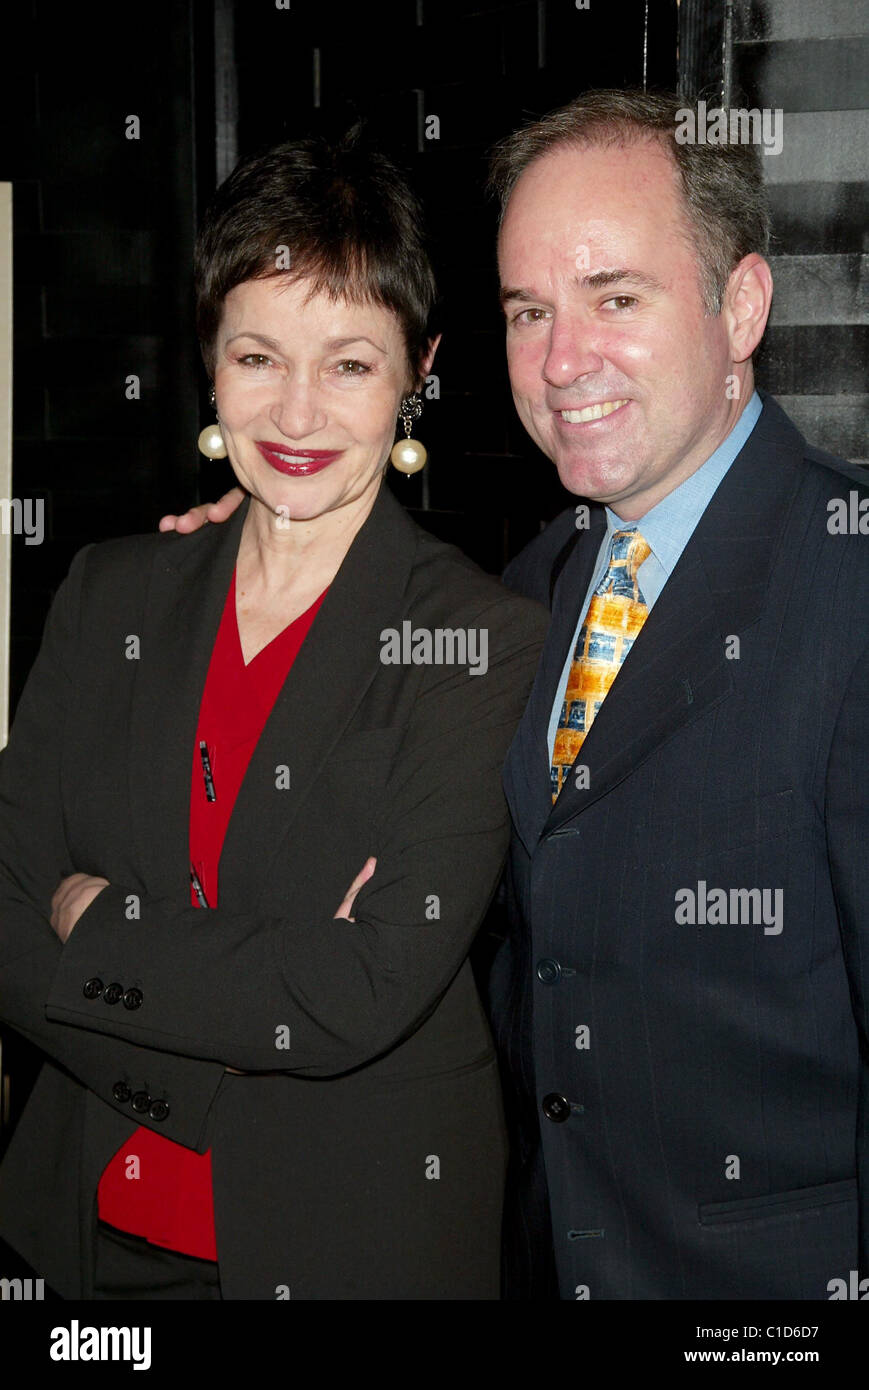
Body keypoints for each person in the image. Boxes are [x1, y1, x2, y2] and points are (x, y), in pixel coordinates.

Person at [166, 88, 869, 1303]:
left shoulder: (846, 582)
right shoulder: (533, 587)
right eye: (528, 310)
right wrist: (269, 530)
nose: (558, 361)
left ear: (739, 304)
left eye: (614, 298)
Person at [0, 129, 549, 1300]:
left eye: (349, 364)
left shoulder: (475, 638)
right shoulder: (110, 593)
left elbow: (361, 986)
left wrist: (96, 933)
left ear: (418, 371)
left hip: (347, 1239)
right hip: (80, 1238)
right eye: (258, 355)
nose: (297, 411)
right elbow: (2, 915)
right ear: (210, 361)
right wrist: (202, 1063)